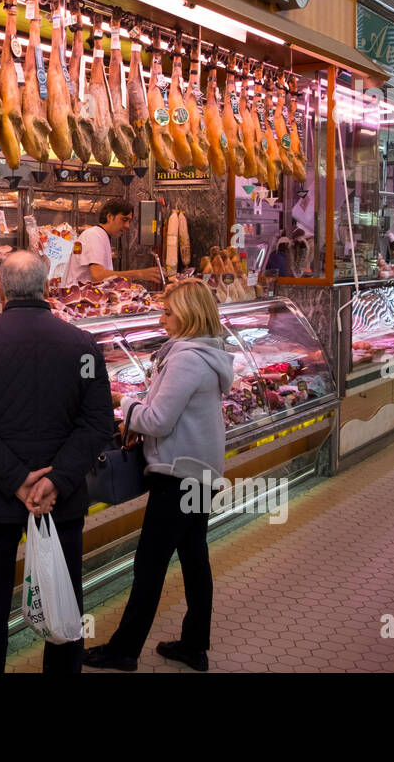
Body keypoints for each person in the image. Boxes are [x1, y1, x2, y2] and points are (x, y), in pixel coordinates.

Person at [0, 249, 114, 673]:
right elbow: (97, 422)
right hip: (61, 500)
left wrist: (18, 481)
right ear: (46, 288)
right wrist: (56, 480)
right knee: (63, 596)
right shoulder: (81, 344)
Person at [83, 279, 233, 673]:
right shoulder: (208, 352)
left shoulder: (185, 358)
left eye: (167, 312)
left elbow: (159, 420)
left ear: (185, 315)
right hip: (203, 470)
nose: (161, 318)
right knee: (194, 559)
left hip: (179, 475)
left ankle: (124, 651)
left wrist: (125, 403)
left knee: (150, 565)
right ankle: (194, 645)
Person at [64, 198, 162, 286]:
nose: (127, 226)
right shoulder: (94, 235)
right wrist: (140, 274)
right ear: (110, 217)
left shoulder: (102, 235)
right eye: (124, 220)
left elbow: (103, 279)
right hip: (80, 301)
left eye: (129, 221)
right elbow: (98, 276)